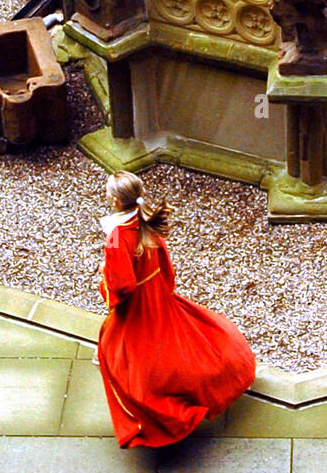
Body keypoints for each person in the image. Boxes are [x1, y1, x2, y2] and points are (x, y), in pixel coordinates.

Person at [96, 171, 256, 448]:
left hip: (136, 307)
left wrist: (104, 279)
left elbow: (121, 286)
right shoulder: (145, 221)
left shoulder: (116, 237)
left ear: (114, 199)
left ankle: (171, 417)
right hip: (157, 293)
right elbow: (166, 267)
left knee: (123, 361)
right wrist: (164, 293)